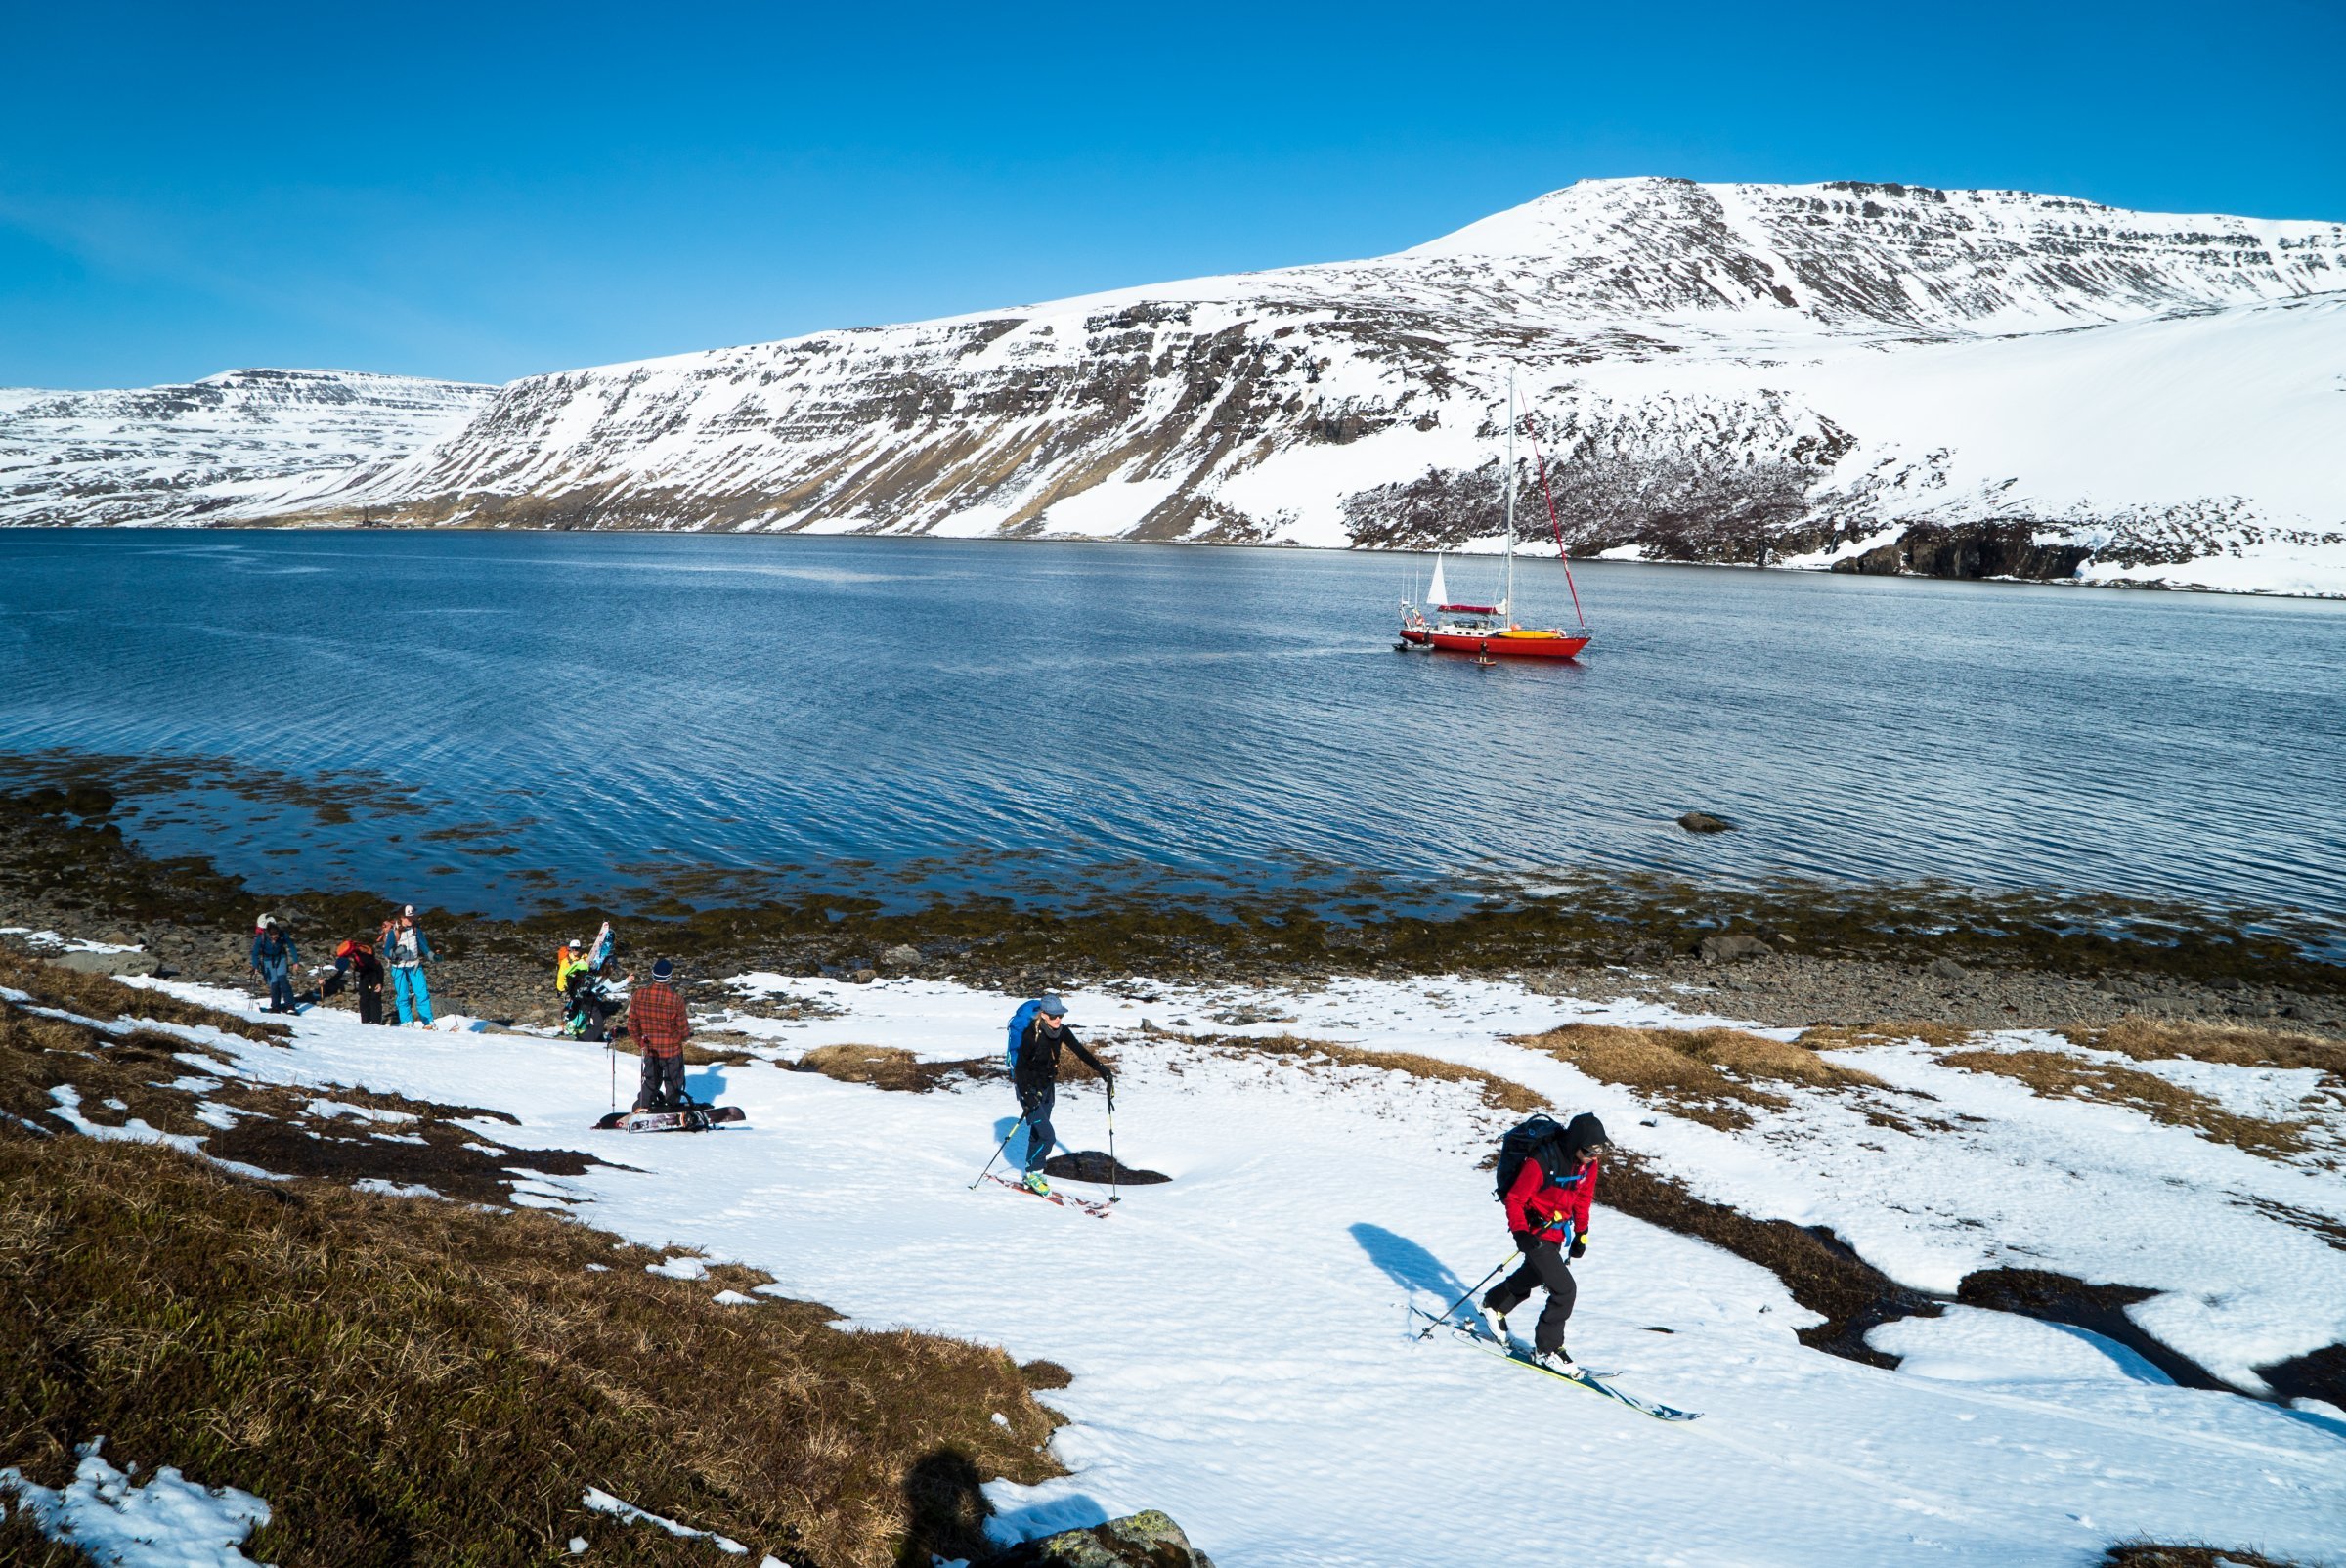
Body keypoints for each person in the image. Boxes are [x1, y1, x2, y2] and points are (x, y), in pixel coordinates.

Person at [1483, 1111, 1609, 1374]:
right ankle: (1547, 1349)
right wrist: (1521, 1233)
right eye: (1589, 1151)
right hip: (1534, 1230)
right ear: (1575, 1144)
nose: (1593, 1157)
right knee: (1564, 1290)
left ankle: (1494, 1304)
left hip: (1557, 1231)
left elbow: (1582, 1199)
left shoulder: (1588, 1165)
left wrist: (1581, 1234)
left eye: (1598, 1152)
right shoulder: (1542, 1161)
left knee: (1533, 1274)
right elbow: (1515, 1199)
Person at [1009, 993, 1113, 1196]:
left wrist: (1102, 1069)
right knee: (1048, 1137)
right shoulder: (1031, 1034)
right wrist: (1027, 1095)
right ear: (1044, 1014)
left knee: (1039, 1133)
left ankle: (1035, 1172)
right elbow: (1020, 1068)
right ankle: (1032, 1174)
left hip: (1047, 1087)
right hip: (1029, 1089)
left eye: (1061, 1016)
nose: (1058, 1019)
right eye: (1054, 1016)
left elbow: (1080, 1051)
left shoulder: (1061, 1031)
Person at [628, 957, 690, 1111]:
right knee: (674, 1082)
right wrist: (684, 1037)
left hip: (650, 1048)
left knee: (650, 1081)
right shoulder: (676, 999)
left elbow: (632, 1025)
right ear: (669, 977)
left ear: (653, 974)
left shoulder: (639, 995)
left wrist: (641, 1042)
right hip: (672, 1049)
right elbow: (683, 1029)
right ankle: (671, 1111)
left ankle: (641, 1107)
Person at [381, 904, 436, 1026]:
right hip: (398, 967)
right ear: (401, 917)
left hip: (415, 965)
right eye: (408, 917)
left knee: (422, 993)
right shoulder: (393, 932)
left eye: (412, 917)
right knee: (402, 995)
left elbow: (423, 945)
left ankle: (428, 1021)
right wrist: (395, 953)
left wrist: (431, 955)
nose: (411, 919)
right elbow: (386, 951)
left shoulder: (416, 929)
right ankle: (406, 1021)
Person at [330, 934, 389, 1025]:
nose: (349, 970)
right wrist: (325, 982)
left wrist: (379, 983)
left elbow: (378, 968)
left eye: (349, 968)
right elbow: (338, 976)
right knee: (363, 997)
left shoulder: (364, 958)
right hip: (364, 974)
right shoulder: (345, 962)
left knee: (375, 997)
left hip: (375, 973)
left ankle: (376, 1022)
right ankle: (365, 1022)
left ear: (350, 962)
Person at [247, 917, 300, 1014]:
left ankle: (291, 1006)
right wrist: (255, 966)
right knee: (274, 983)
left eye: (276, 938)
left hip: (281, 958)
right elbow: (255, 953)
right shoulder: (261, 938)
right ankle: (275, 1006)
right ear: (268, 935)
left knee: (283, 980)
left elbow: (291, 946)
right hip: (267, 960)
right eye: (272, 938)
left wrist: (296, 961)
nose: (274, 940)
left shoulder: (283, 935)